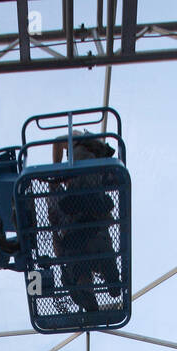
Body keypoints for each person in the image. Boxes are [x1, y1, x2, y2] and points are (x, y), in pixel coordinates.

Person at [48, 132, 121, 316]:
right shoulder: (101, 160)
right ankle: (106, 269)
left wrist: (55, 175)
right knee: (98, 240)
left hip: (76, 226)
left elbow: (58, 141)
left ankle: (87, 284)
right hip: (93, 222)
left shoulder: (78, 144)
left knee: (75, 257)